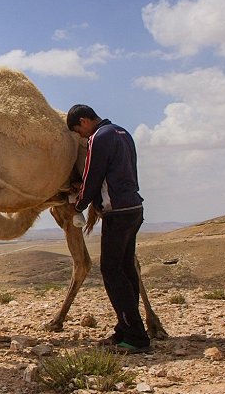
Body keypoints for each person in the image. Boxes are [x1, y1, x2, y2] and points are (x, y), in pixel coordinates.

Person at [66, 104, 151, 354]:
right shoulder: (123, 133)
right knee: (126, 268)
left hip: (117, 212)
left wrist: (79, 205)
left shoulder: (99, 138)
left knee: (111, 270)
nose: (81, 137)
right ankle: (126, 329)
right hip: (133, 208)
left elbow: (93, 176)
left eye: (78, 131)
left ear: (84, 121)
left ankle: (135, 337)